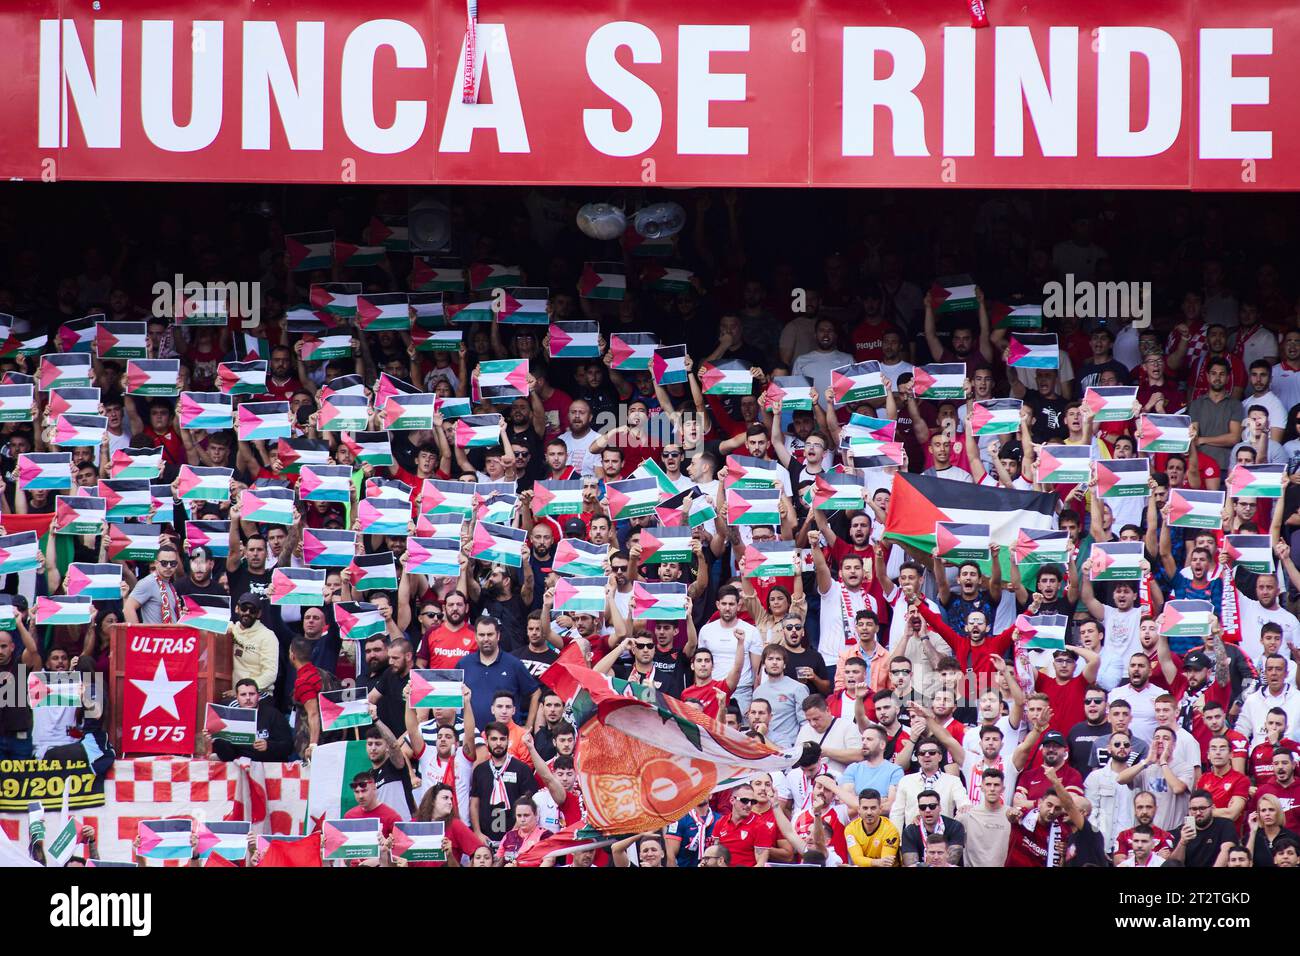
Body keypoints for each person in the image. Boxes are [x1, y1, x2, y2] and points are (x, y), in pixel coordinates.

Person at [468, 721, 536, 849]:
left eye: (502, 739)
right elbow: (474, 804)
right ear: (486, 741)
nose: (498, 743)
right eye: (494, 739)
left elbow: (528, 804)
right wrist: (477, 832)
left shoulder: (522, 769)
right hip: (485, 839)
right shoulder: (480, 770)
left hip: (516, 838)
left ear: (507, 741)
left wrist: (514, 834)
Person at [204, 678, 292, 762]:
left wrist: (269, 746)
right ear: (237, 697)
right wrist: (216, 739)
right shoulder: (230, 718)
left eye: (252, 694)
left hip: (270, 768)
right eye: (243, 695)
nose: (248, 698)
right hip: (240, 769)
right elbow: (228, 756)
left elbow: (289, 747)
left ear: (258, 696)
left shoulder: (273, 714)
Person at [1167, 789, 1239, 867]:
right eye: (1194, 809)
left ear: (1213, 808)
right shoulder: (1182, 831)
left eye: (1202, 808)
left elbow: (1226, 850)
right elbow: (1175, 864)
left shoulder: (1225, 825)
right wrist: (1182, 842)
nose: (1198, 813)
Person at [958, 769, 1011, 867]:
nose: (992, 789)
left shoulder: (1011, 816)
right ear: (981, 788)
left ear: (1003, 789)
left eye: (996, 785)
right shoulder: (967, 815)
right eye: (988, 784)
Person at [899, 789, 966, 867]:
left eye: (932, 806)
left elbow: (953, 860)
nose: (927, 810)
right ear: (919, 810)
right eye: (923, 807)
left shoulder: (955, 827)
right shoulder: (909, 831)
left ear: (940, 807)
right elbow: (910, 863)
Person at [123, 544, 185, 624]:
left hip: (171, 635)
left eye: (172, 563)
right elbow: (128, 608)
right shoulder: (148, 582)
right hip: (153, 636)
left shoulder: (170, 585)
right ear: (156, 563)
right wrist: (138, 633)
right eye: (164, 563)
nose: (169, 566)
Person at [843, 788, 899, 868]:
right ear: (859, 809)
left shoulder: (891, 830)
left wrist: (868, 862)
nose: (869, 812)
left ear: (880, 809)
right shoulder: (851, 829)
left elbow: (886, 864)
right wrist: (877, 862)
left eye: (873, 808)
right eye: (865, 808)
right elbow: (857, 859)